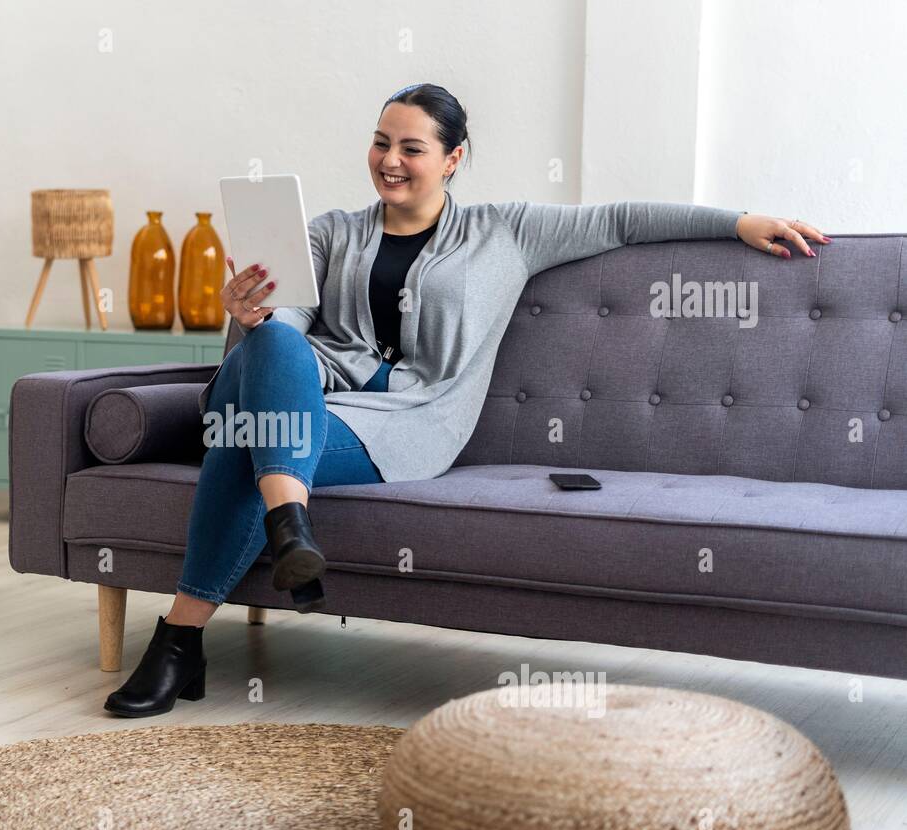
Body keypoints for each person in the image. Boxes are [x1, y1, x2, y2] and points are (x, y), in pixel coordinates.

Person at [104, 82, 829, 718]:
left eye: (411, 148)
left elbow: (620, 220)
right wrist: (253, 314)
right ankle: (286, 523)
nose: (390, 160)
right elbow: (280, 333)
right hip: (300, 401)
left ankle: (181, 643)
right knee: (277, 346)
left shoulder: (507, 233)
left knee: (241, 440)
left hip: (404, 428)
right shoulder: (328, 232)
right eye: (381, 143)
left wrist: (736, 221)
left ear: (452, 159)